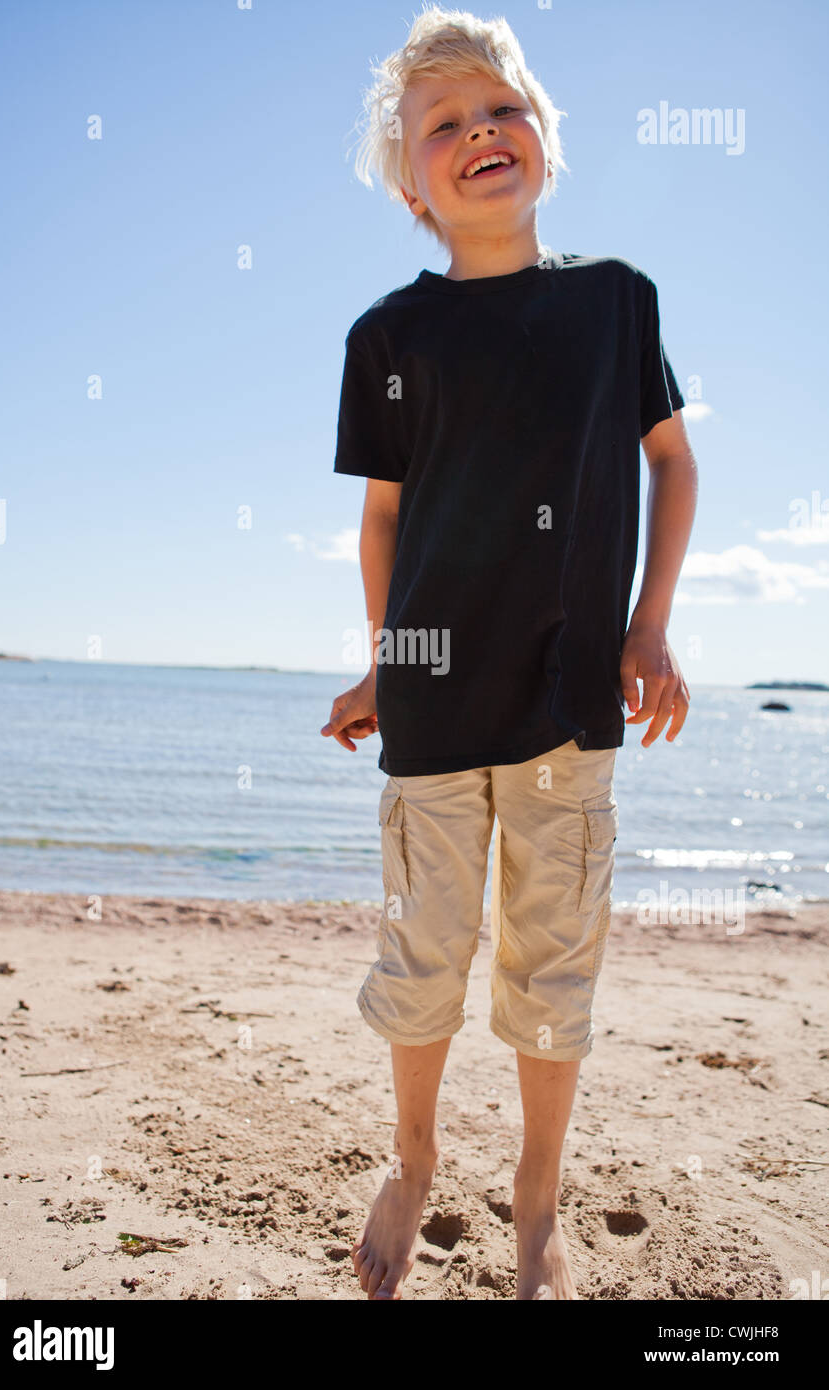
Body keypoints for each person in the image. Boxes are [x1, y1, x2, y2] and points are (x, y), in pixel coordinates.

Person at [321, 5, 697, 1301]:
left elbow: (670, 458)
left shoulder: (613, 303)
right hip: (427, 712)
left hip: (567, 707)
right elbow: (384, 517)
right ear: (414, 190)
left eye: (502, 110)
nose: (480, 132)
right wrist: (380, 661)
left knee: (550, 965)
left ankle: (537, 1198)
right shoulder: (389, 335)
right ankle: (415, 1158)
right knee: (420, 956)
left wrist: (648, 624)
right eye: (444, 124)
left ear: (542, 138)